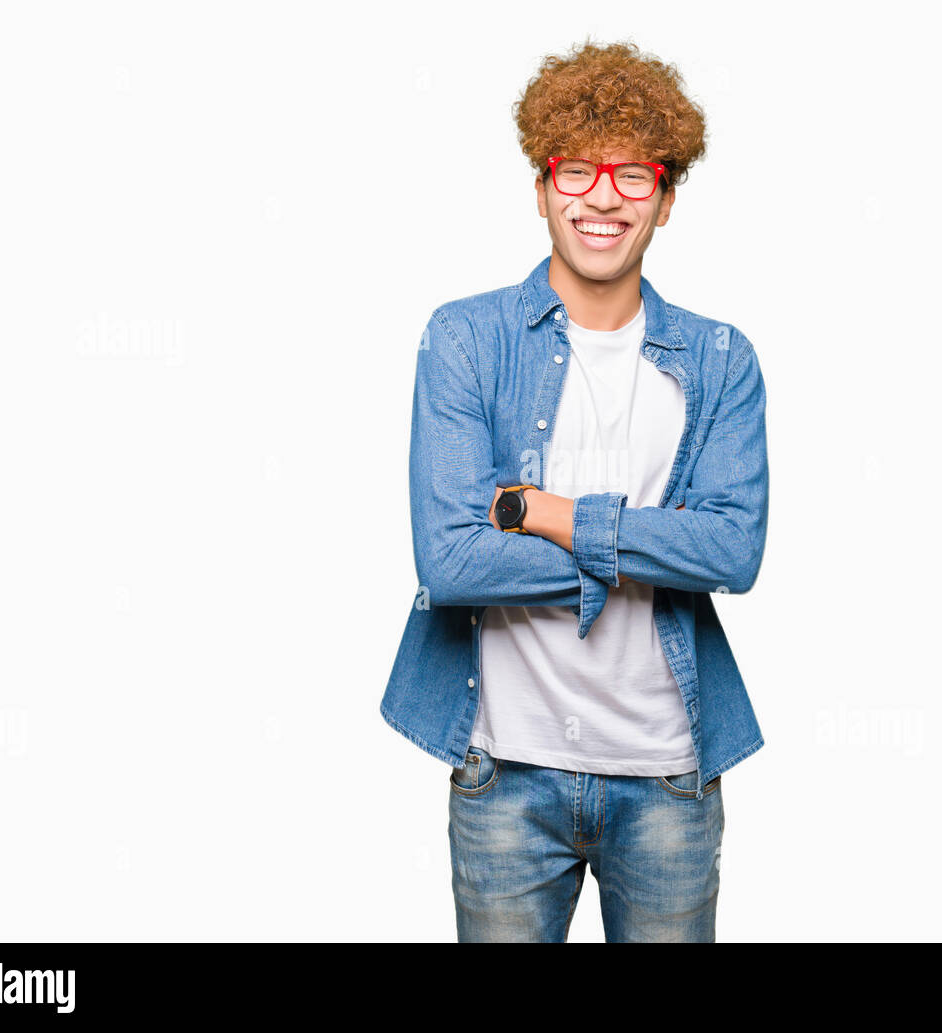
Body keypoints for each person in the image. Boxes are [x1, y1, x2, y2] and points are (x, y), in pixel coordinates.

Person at [380, 38, 770, 942]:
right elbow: (451, 558)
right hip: (505, 773)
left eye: (634, 175)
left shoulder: (720, 360)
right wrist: (645, 548)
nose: (603, 196)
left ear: (667, 199)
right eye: (578, 170)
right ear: (543, 187)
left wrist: (544, 513)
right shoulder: (468, 339)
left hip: (669, 774)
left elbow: (731, 552)